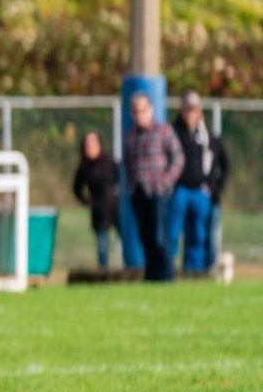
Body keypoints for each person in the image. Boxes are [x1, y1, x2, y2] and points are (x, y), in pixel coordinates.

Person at [124, 92, 182, 282]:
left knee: (160, 236)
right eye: (136, 111)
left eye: (143, 110)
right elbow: (128, 165)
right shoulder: (130, 136)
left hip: (158, 192)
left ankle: (166, 275)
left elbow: (178, 158)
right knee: (145, 237)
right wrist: (131, 187)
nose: (140, 115)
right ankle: (151, 276)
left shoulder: (163, 131)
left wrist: (166, 182)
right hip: (139, 192)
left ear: (151, 110)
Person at [169, 92, 227, 277]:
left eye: (193, 110)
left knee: (198, 234)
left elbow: (224, 163)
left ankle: (194, 271)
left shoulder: (207, 136)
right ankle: (167, 269)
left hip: (200, 191)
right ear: (181, 111)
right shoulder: (173, 133)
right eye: (187, 110)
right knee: (173, 232)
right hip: (179, 190)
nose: (190, 114)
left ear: (199, 111)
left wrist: (214, 186)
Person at [72, 131, 120, 269]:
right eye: (87, 145)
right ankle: (104, 272)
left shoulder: (109, 162)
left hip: (115, 207)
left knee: (126, 239)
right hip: (99, 211)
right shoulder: (84, 167)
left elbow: (121, 178)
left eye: (93, 144)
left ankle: (132, 268)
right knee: (102, 246)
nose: (90, 148)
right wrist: (86, 201)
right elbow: (77, 188)